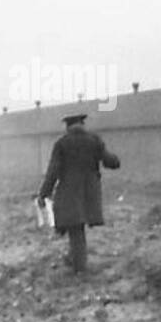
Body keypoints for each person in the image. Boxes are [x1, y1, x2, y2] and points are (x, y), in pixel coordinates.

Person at [36, 113, 121, 274]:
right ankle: (74, 259)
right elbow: (111, 162)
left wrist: (43, 193)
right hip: (90, 193)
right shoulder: (94, 140)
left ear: (68, 127)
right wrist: (115, 159)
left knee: (74, 227)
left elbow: (53, 172)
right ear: (82, 124)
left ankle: (79, 268)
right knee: (76, 226)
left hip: (69, 191)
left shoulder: (62, 143)